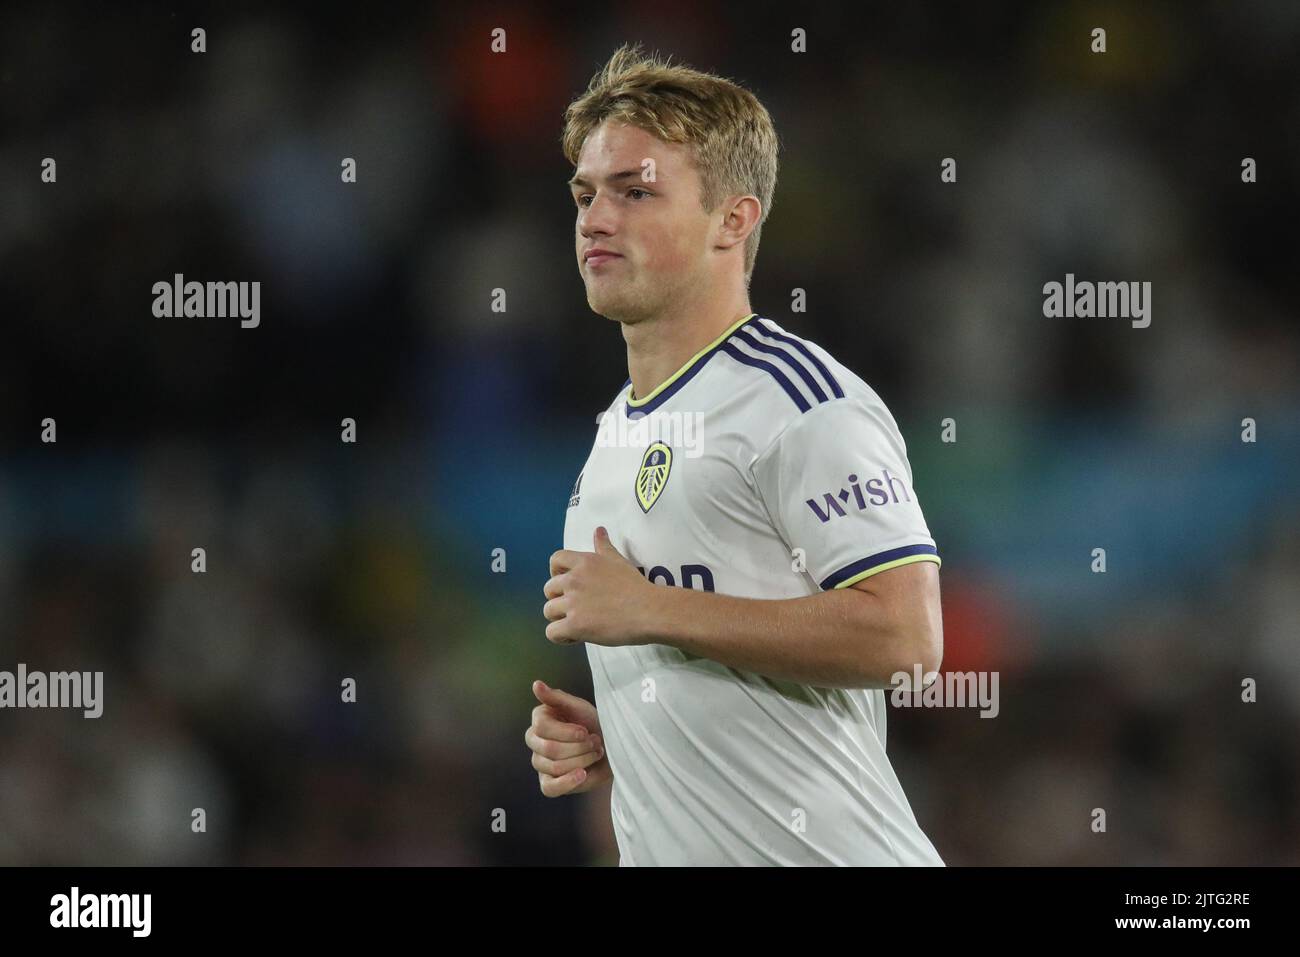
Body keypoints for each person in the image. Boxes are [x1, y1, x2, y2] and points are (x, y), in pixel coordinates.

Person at [524, 43, 945, 866]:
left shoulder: (798, 401)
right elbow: (733, 660)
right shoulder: (616, 431)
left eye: (636, 191)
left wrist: (650, 608)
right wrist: (637, 740)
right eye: (585, 194)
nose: (595, 218)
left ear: (734, 219)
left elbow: (906, 640)